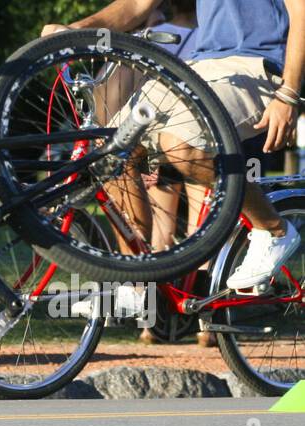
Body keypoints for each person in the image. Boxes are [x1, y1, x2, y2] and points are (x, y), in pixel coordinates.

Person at [47, 0, 304, 307]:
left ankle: (274, 230)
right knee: (110, 152)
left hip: (259, 66)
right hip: (198, 67)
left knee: (180, 144)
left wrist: (288, 93)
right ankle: (136, 283)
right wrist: (72, 31)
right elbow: (134, 6)